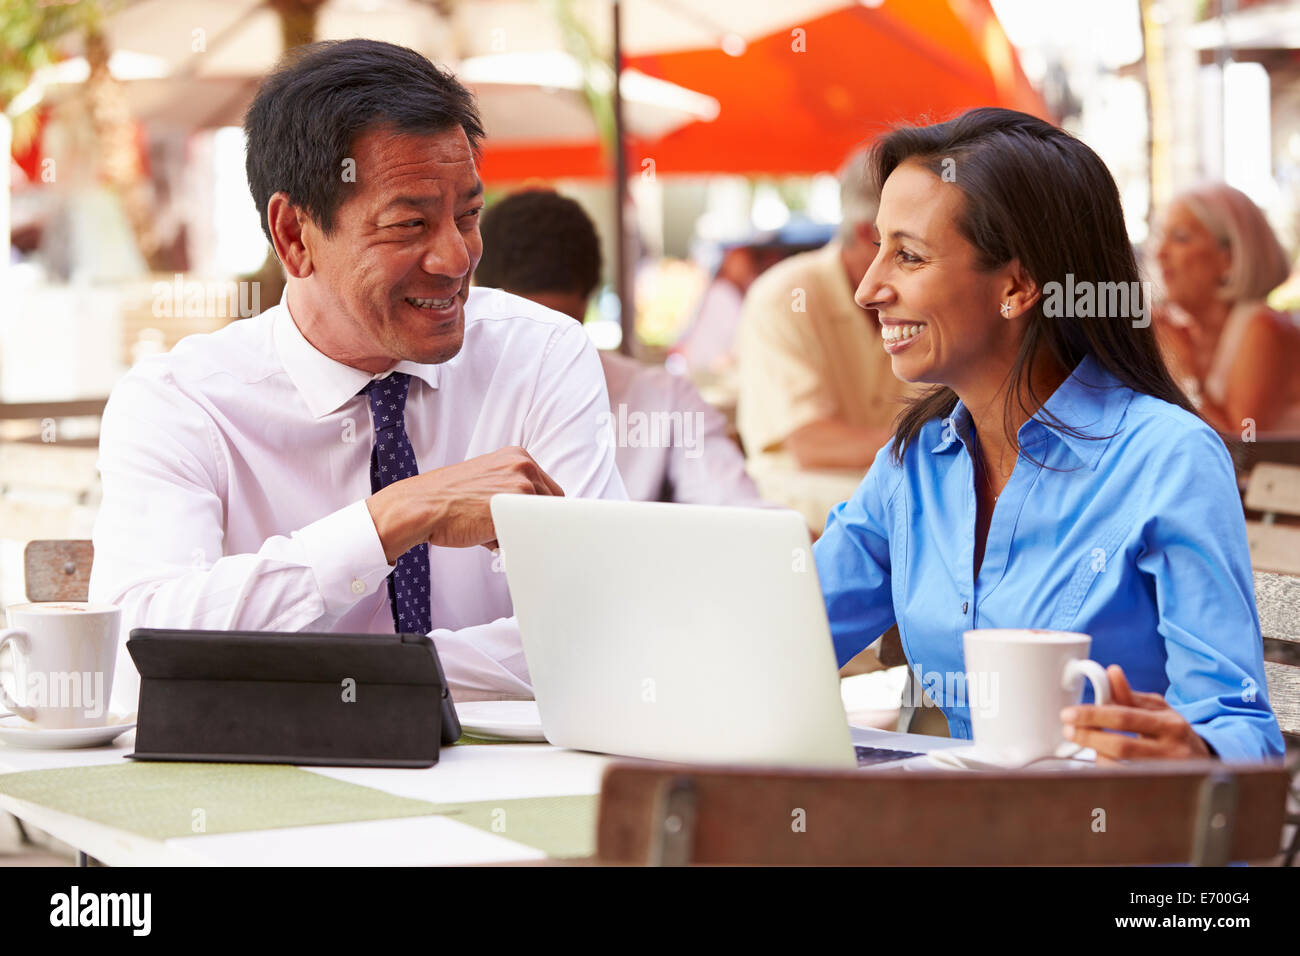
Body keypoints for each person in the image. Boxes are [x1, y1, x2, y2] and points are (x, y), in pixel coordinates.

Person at [88, 40, 626, 709]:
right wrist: (391, 519)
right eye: (410, 225)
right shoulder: (181, 404)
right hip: (266, 794)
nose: (457, 258)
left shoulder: (541, 357)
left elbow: (605, 627)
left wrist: (348, 675)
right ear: (294, 236)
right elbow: (135, 654)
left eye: (468, 215)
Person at [814, 107, 1283, 761]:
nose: (869, 289)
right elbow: (786, 641)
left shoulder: (1168, 461)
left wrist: (1194, 753)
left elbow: (1244, 735)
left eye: (909, 256)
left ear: (1018, 285)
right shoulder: (915, 462)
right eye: (878, 250)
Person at [474, 189, 768, 506]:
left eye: (558, 331)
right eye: (521, 332)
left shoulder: (665, 398)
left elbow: (739, 508)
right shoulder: (430, 396)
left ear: (585, 306)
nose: (541, 352)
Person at [735, 146, 918, 528]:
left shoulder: (927, 296)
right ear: (868, 233)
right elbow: (811, 443)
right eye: (917, 243)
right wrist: (932, 444)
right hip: (800, 527)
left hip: (898, 509)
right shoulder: (784, 296)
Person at [1153, 182, 1300, 435]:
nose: (1160, 253)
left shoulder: (1265, 329)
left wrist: (1186, 375)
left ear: (1228, 258)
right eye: (1162, 238)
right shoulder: (1183, 333)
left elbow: (1243, 445)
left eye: (1180, 238)